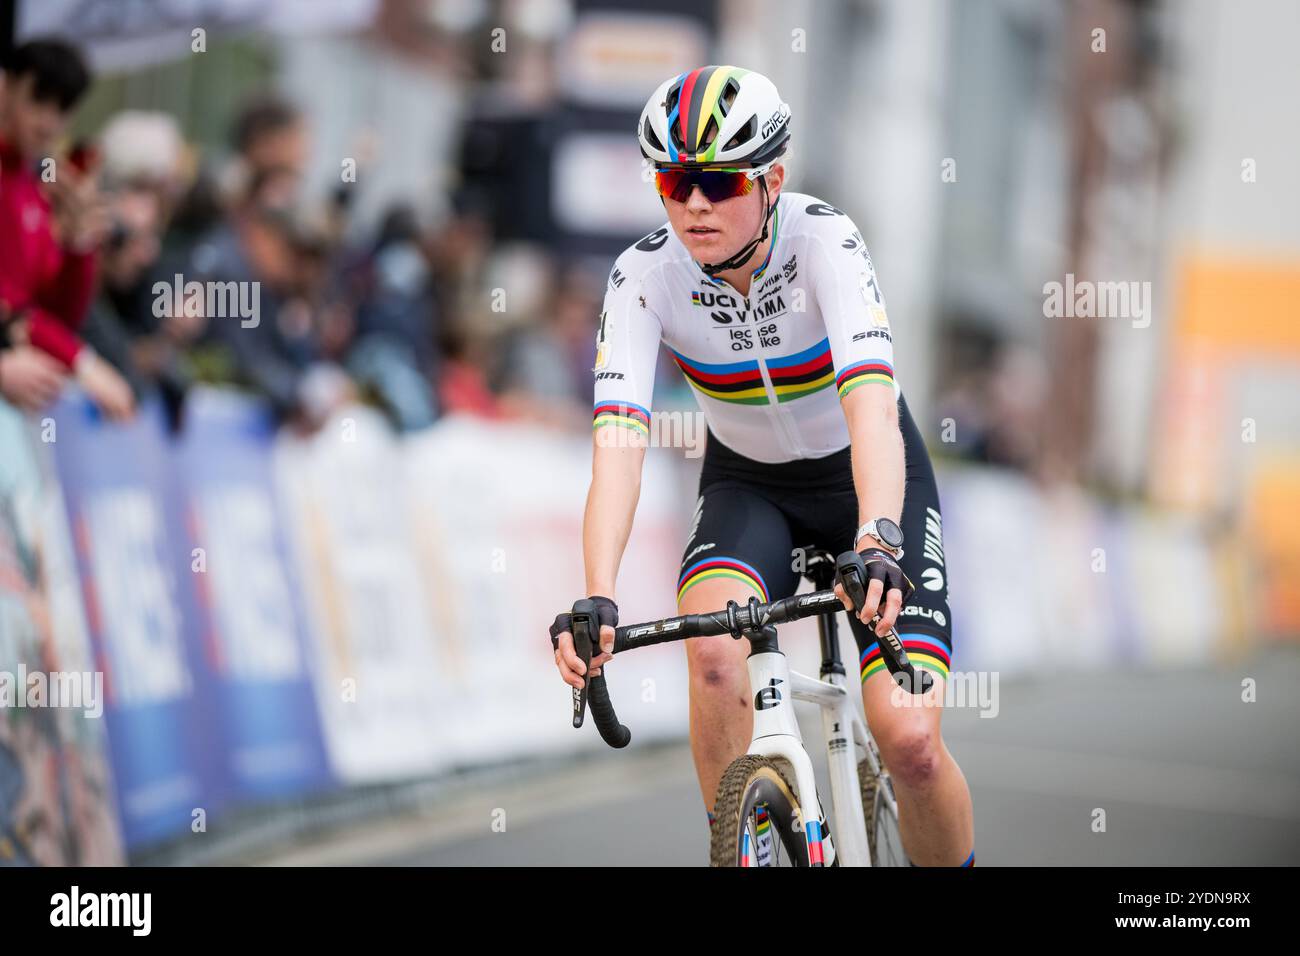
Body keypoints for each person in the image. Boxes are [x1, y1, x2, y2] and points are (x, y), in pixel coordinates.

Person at [549, 66, 975, 866]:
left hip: (868, 478)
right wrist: (597, 593)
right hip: (750, 486)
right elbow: (618, 446)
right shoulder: (643, 277)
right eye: (675, 183)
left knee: (910, 740)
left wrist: (879, 537)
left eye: (717, 182)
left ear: (771, 179)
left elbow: (872, 410)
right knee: (713, 655)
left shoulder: (826, 242)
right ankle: (740, 848)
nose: (695, 205)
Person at [0, 38, 135, 420]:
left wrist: (78, 244)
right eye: (38, 100)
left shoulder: (34, 186)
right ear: (6, 87)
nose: (49, 122)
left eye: (63, 108)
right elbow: (9, 305)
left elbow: (58, 315)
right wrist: (84, 362)